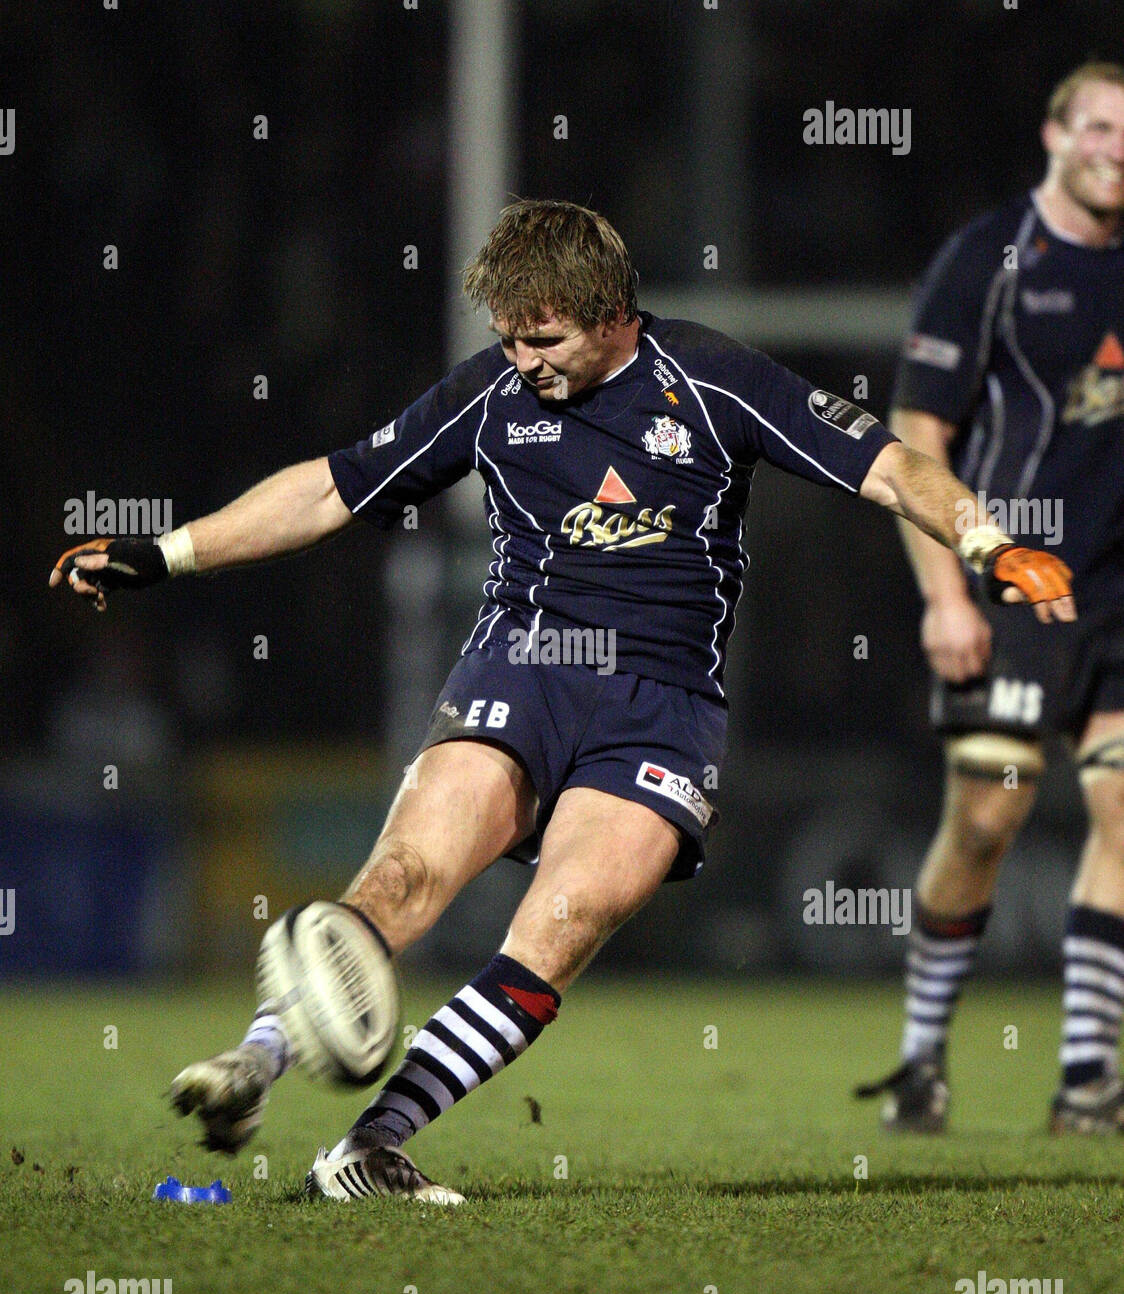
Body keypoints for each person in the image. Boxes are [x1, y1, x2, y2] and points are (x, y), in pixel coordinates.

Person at [52, 200, 1073, 1202]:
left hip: (663, 705)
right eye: (505, 338)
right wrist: (163, 551)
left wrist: (987, 542)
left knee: (566, 920)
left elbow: (889, 467)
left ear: (612, 312)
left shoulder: (711, 379)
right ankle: (256, 1062)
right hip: (519, 670)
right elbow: (332, 487)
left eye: (541, 338)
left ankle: (371, 1147)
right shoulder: (489, 395)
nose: (521, 359)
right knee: (404, 876)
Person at [856, 63, 1124, 1135]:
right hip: (1016, 587)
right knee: (982, 819)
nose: (1115, 145)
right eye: (1097, 124)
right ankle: (920, 1058)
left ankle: (1085, 1078)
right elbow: (915, 437)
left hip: (1118, 597)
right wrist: (944, 595)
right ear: (1054, 132)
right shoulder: (987, 259)